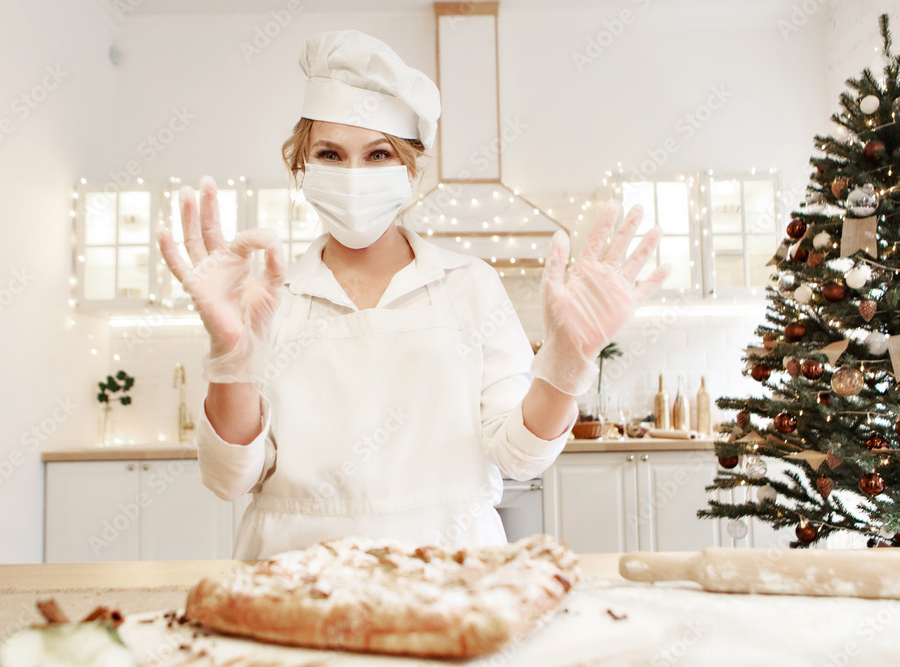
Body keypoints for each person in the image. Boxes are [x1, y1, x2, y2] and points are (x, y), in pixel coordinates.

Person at [158, 30, 668, 559]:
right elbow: (229, 479)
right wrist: (232, 364)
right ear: (301, 168)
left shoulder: (469, 285)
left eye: (378, 154)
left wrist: (566, 364)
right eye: (330, 153)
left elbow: (519, 456)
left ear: (410, 168)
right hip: (293, 572)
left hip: (451, 569)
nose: (354, 174)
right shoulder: (265, 299)